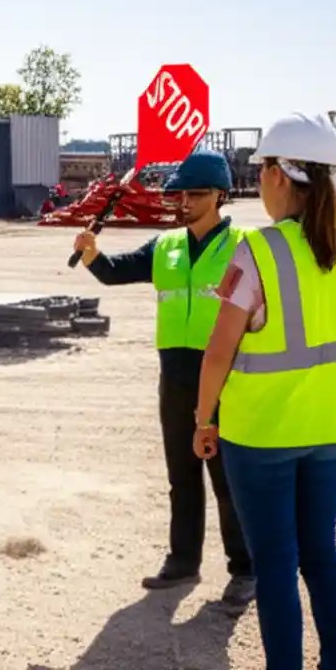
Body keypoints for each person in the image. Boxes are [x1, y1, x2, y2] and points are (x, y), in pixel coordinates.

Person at [193, 112, 336, 670]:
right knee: (321, 557)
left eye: (262, 169)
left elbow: (219, 351)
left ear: (277, 176)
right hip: (329, 430)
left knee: (275, 563)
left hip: (262, 434)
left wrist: (202, 420)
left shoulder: (256, 251)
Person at [73, 148, 255, 609]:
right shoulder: (166, 247)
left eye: (196, 193)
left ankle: (245, 568)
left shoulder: (243, 247)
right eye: (181, 193)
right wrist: (92, 255)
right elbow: (116, 273)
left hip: (225, 376)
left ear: (220, 195)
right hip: (174, 375)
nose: (185, 201)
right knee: (182, 472)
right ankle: (183, 560)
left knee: (226, 477)